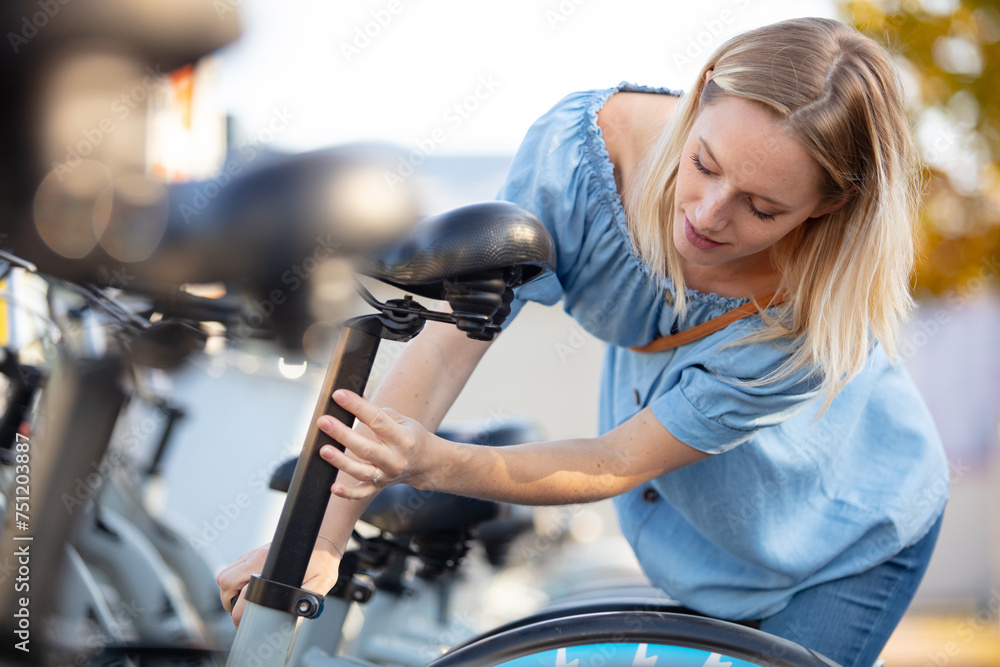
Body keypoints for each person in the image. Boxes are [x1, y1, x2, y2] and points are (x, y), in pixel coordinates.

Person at [218, 16, 948, 666]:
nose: (708, 214)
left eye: (762, 207)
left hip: (845, 538)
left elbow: (617, 457)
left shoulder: (810, 322)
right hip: (702, 541)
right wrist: (321, 541)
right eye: (704, 163)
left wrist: (434, 463)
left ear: (829, 205)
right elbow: (447, 345)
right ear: (700, 96)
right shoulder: (582, 158)